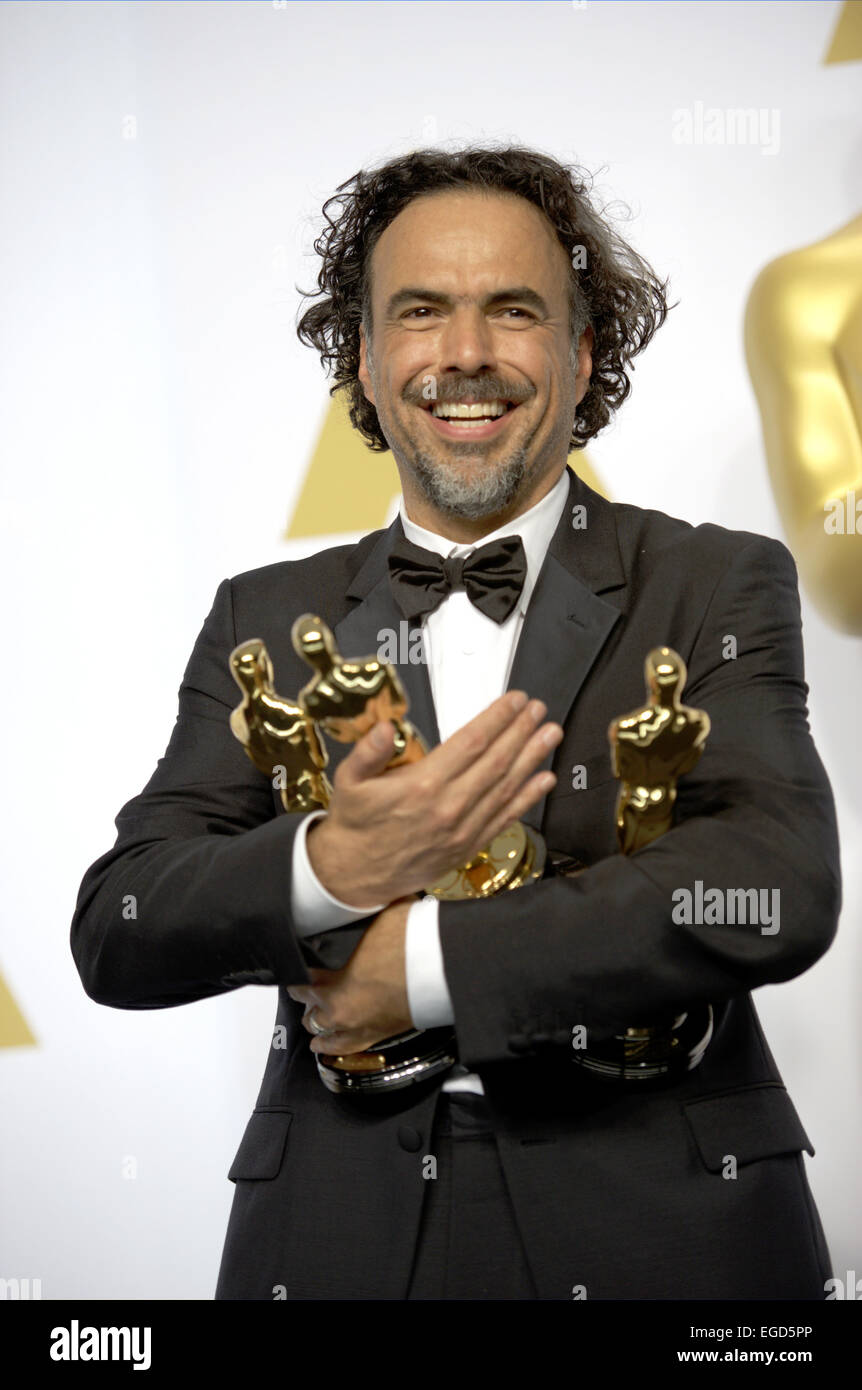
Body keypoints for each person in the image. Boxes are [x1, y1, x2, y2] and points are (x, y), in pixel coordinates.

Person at [71, 145, 840, 1300]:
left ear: (582, 357)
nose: (466, 354)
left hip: (671, 1231)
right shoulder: (265, 617)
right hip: (339, 1234)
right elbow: (120, 924)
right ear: (369, 364)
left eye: (513, 311)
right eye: (420, 312)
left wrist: (424, 966)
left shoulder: (716, 581)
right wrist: (333, 866)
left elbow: (774, 883)